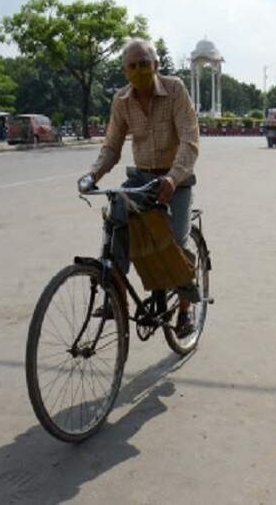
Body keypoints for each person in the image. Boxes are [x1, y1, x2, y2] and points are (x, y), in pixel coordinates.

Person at [78, 38, 201, 337]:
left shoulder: (175, 90)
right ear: (125, 71)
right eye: (132, 66)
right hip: (140, 179)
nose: (139, 70)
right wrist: (93, 175)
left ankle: (184, 311)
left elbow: (190, 139)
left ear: (156, 65)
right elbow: (112, 146)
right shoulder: (121, 101)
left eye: (144, 64)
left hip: (176, 179)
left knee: (174, 245)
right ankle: (115, 294)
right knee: (117, 227)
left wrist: (173, 178)